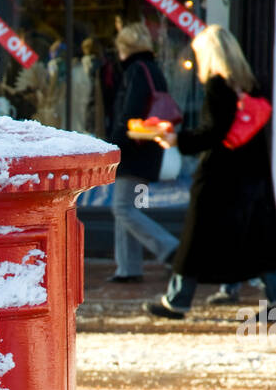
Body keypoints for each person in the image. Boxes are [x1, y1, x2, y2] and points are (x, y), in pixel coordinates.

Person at [142, 25, 276, 319]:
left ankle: (177, 300)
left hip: (220, 177)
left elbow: (214, 132)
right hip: (253, 176)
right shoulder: (252, 84)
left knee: (195, 238)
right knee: (259, 241)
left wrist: (177, 139)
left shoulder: (217, 85)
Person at [107, 22, 180, 283]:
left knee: (123, 207)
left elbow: (131, 112)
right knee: (127, 206)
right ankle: (128, 268)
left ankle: (171, 249)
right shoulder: (153, 69)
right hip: (148, 145)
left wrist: (112, 143)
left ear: (125, 47)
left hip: (134, 146)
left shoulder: (136, 70)